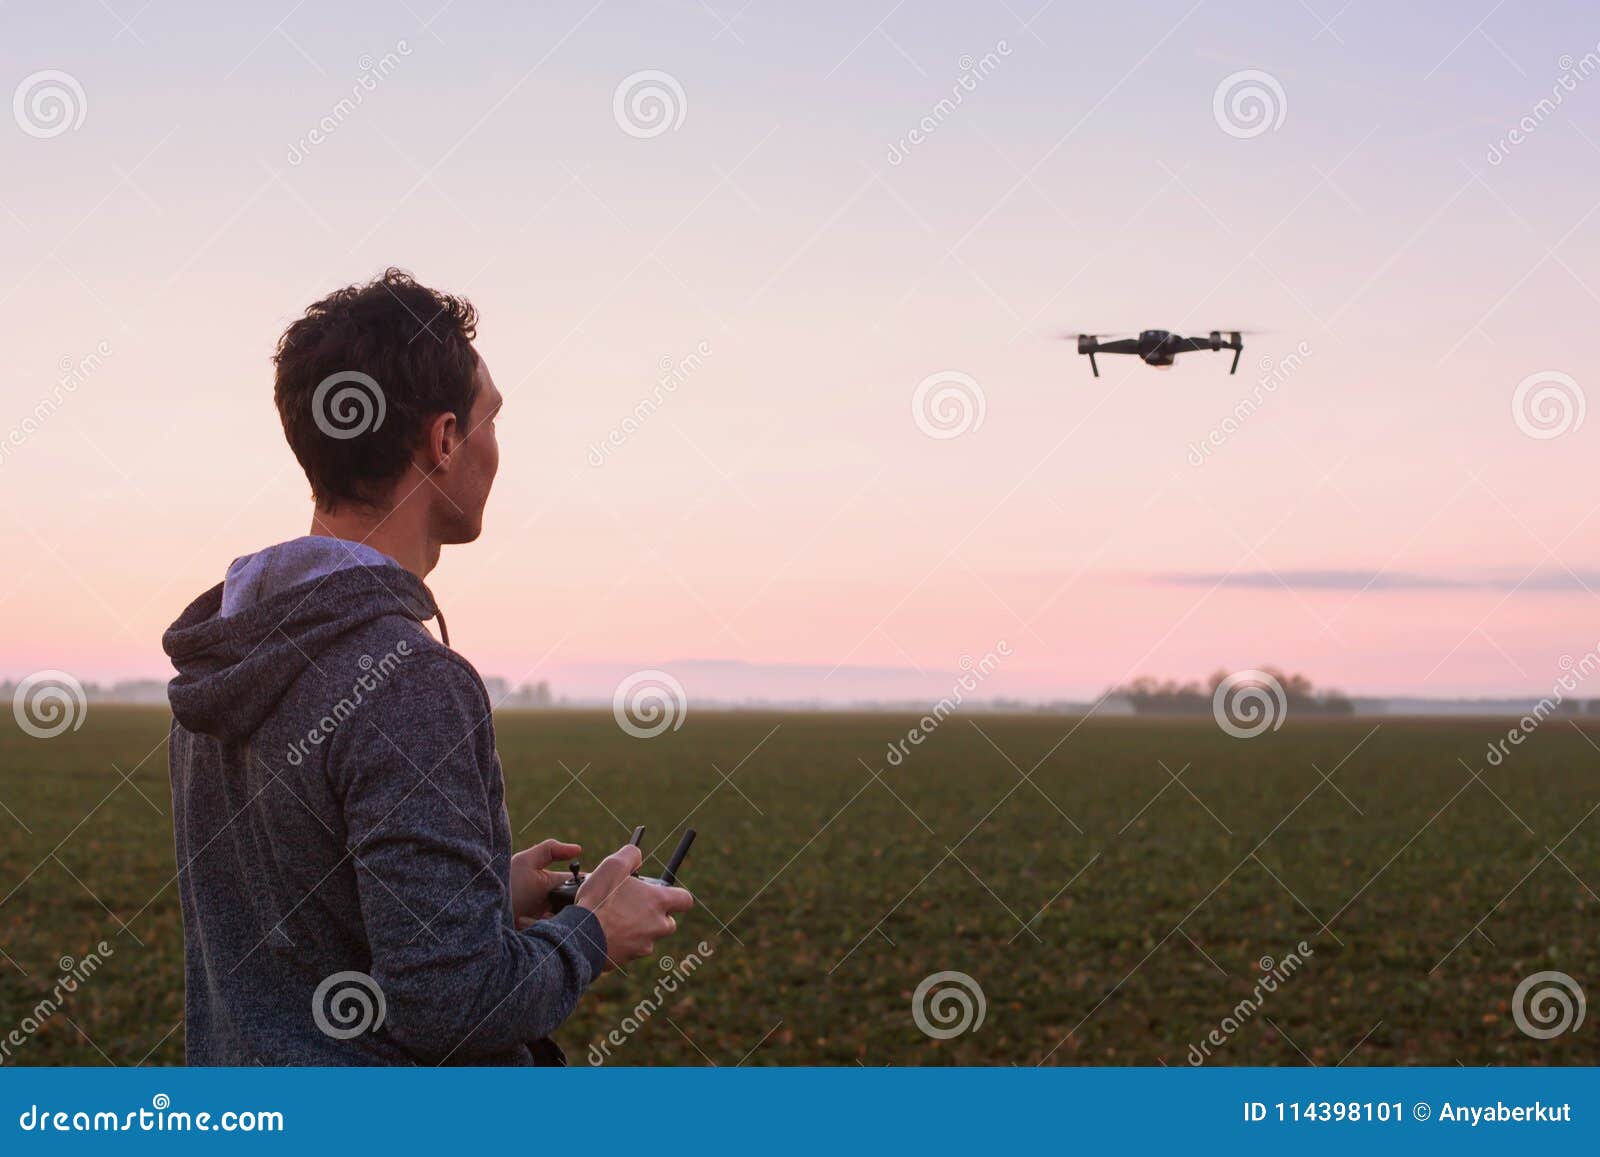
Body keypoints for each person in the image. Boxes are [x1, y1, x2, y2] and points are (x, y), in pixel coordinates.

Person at [163, 268, 692, 1064]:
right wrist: (592, 931)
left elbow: (292, 921)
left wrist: (474, 897)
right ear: (444, 440)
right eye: (490, 421)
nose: (495, 448)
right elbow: (455, 1005)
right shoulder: (408, 679)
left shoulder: (229, 651)